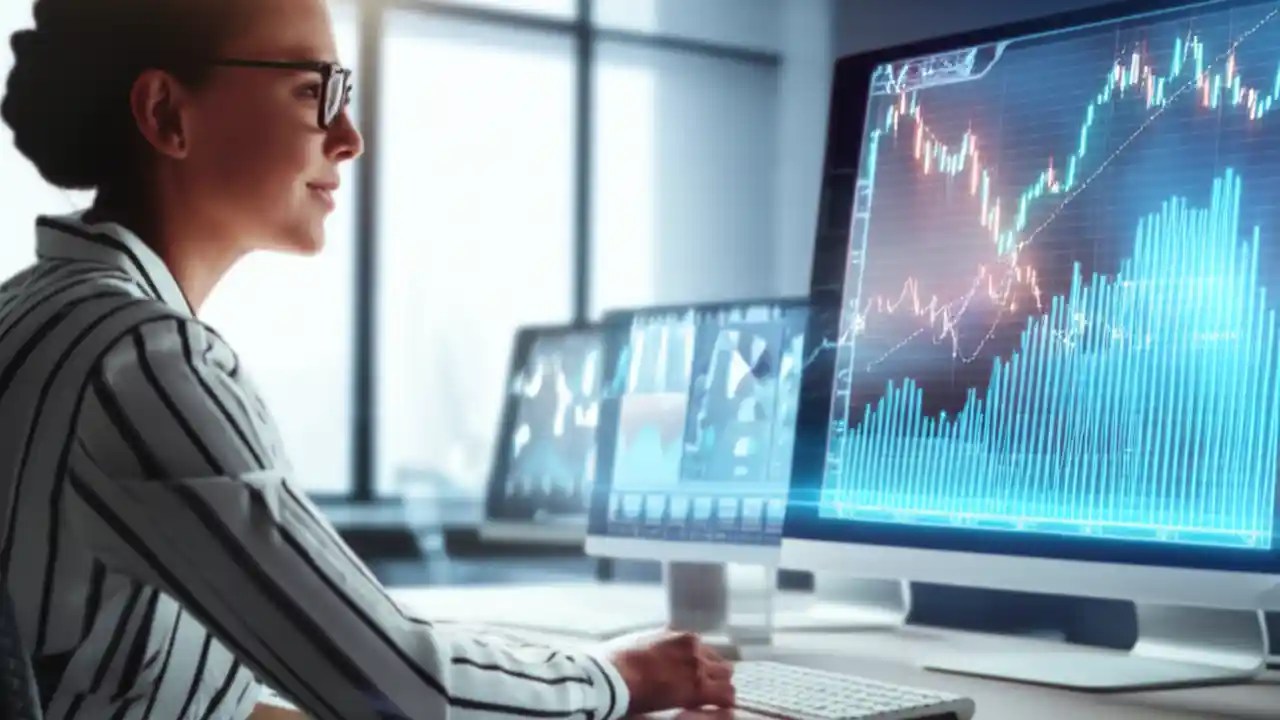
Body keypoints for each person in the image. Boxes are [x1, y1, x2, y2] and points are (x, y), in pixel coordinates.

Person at [0, 0, 735, 718]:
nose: (349, 136)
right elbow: (403, 690)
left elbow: (121, 680)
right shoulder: (145, 362)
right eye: (311, 91)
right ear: (165, 113)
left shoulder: (34, 310)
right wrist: (622, 677)